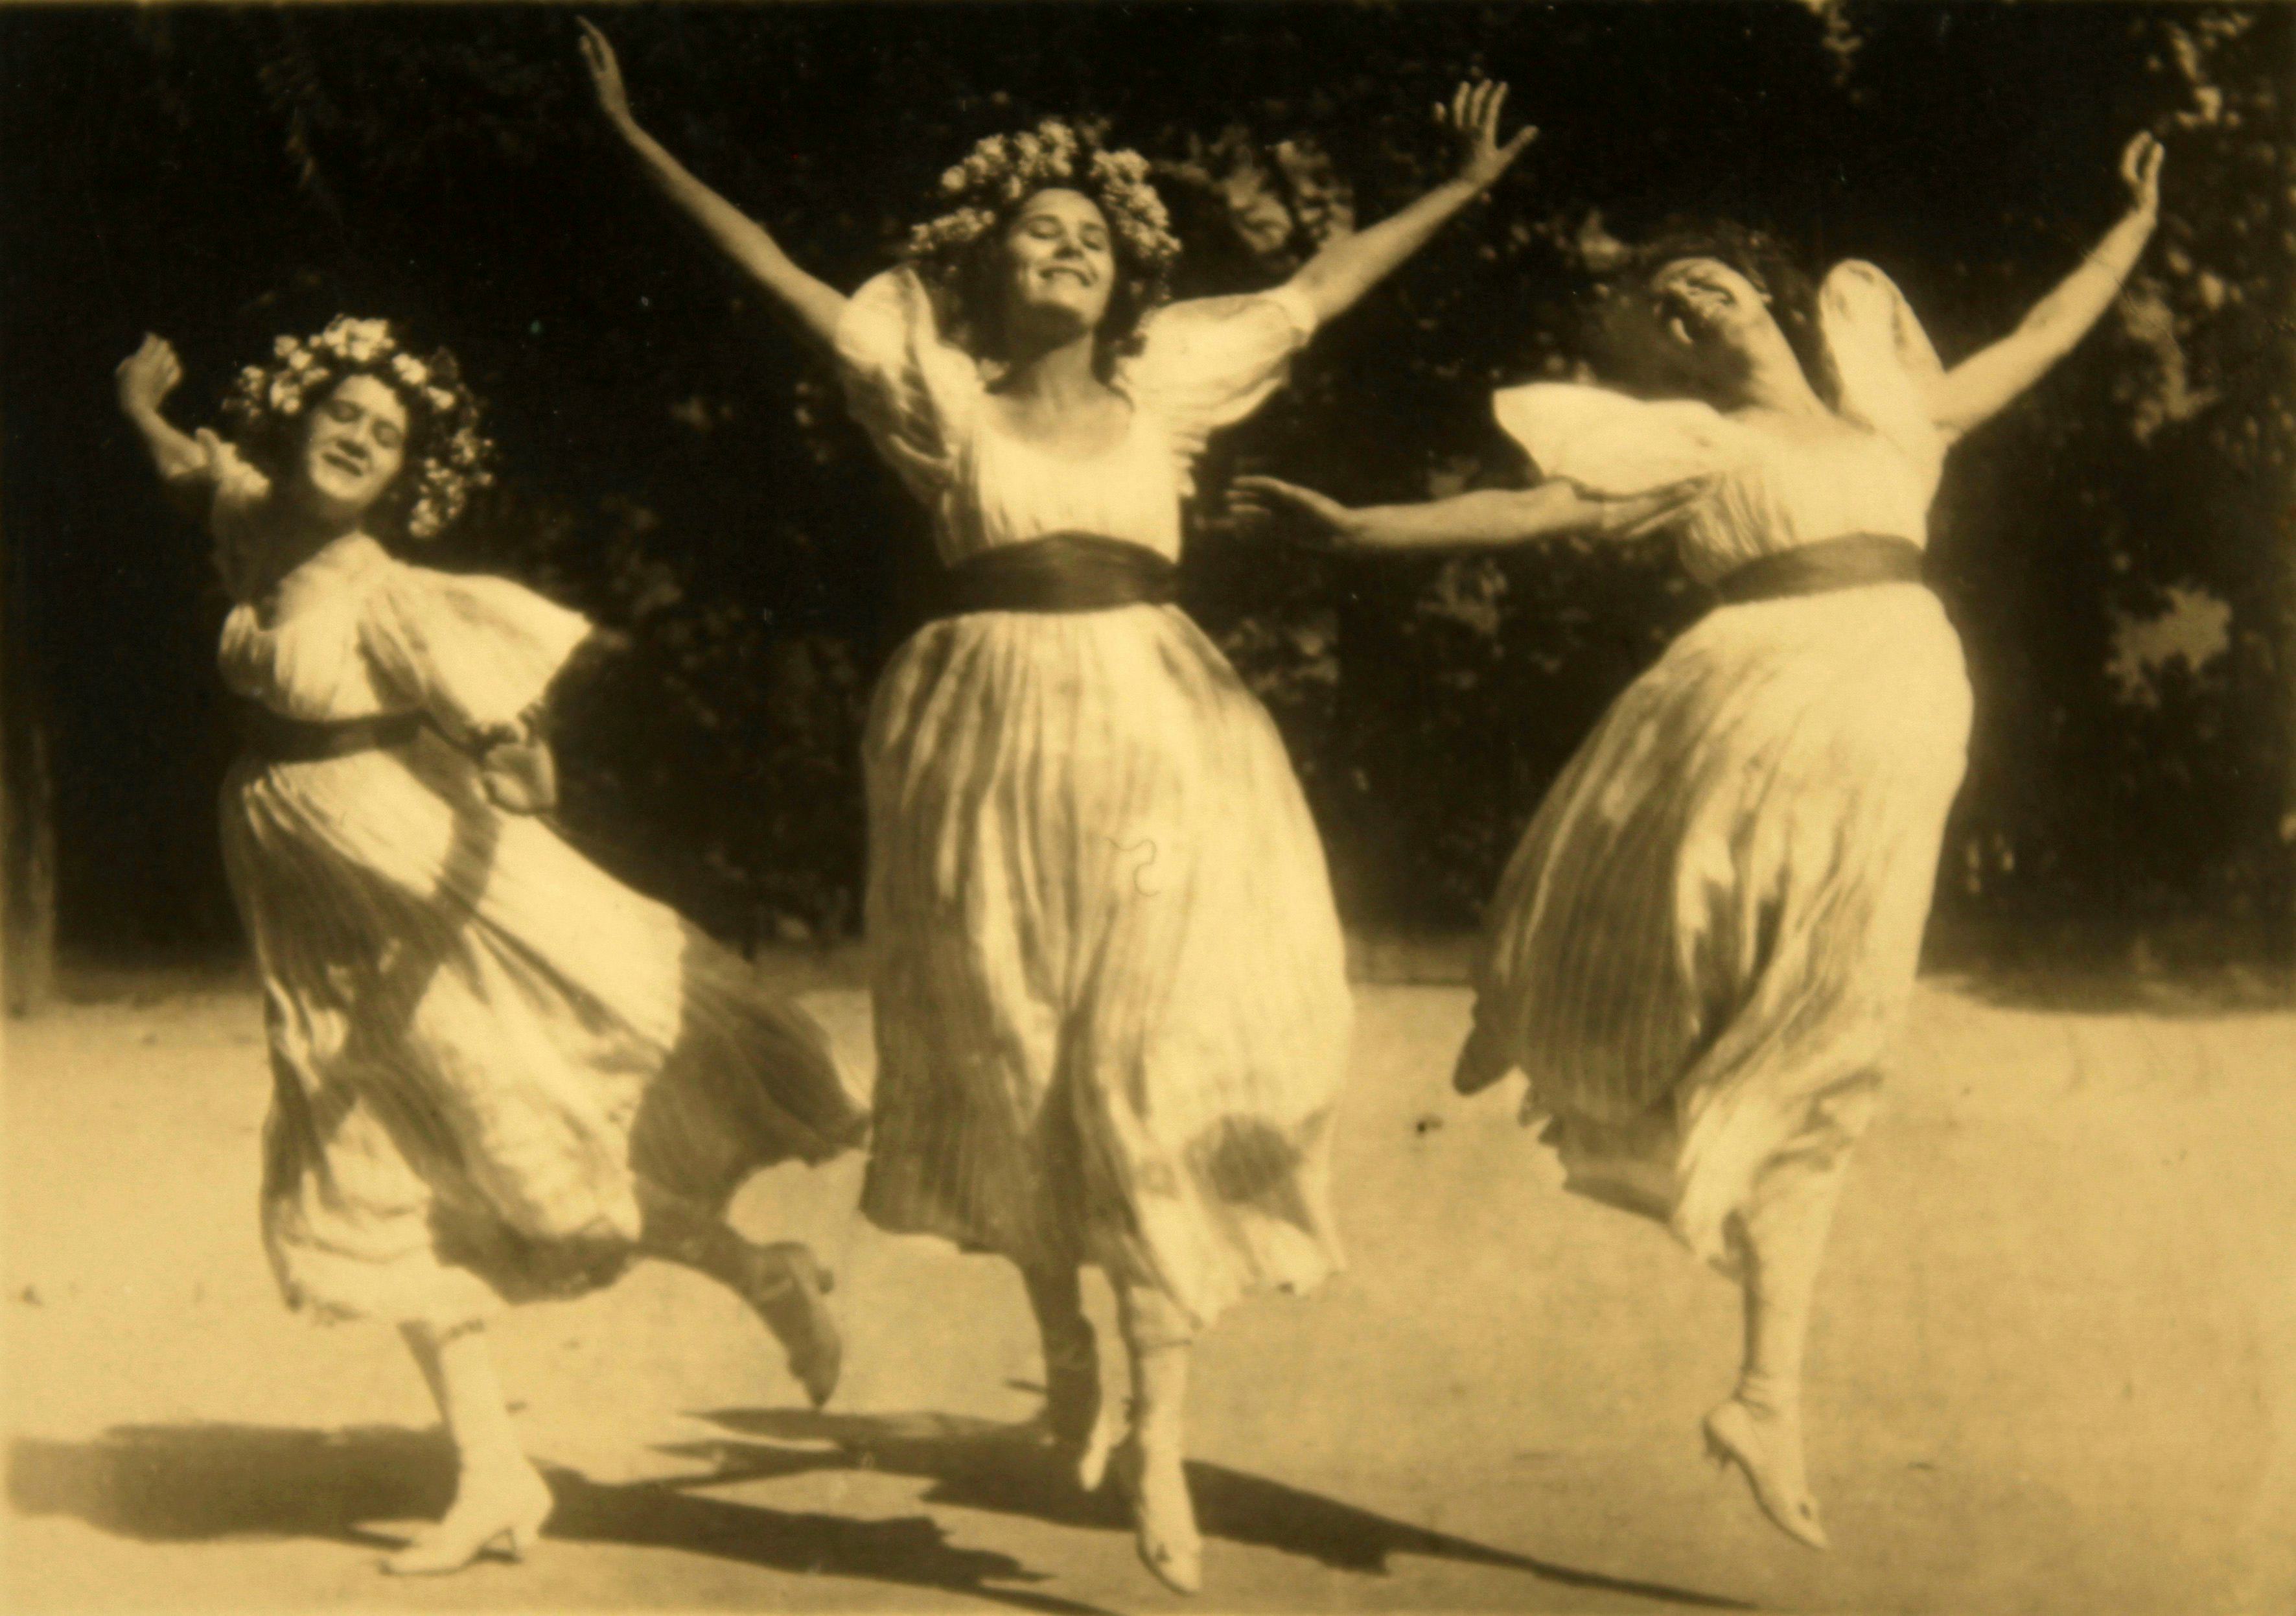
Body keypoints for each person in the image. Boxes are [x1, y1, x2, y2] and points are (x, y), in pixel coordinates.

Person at [581, 23, 1535, 1593]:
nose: (1072, 250)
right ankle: (1061, 1345)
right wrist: (637, 143)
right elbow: (772, 271)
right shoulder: (938, 397)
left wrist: (1454, 186)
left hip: (1156, 731)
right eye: (1043, 232)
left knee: (1145, 1060)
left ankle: (1159, 1429)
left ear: (1124, 276)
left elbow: (1315, 288)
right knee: (1018, 1050)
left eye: (1094, 238)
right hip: (979, 745)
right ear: (984, 266)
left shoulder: (1165, 399)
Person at [1233, 132, 2167, 1552]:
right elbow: (1535, 506)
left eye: (1705, 283)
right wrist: (1365, 530)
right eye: (1661, 307)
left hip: (1898, 709)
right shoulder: (1683, 449)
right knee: (1685, 930)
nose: (1684, 308)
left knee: (1828, 1039)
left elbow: (2043, 332)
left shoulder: (1890, 419)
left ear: (1766, 293)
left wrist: (2130, 222)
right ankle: (1546, 1007)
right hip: (1746, 696)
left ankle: (1760, 1392)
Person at [115, 317, 868, 1576]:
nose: (357, 438)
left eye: (385, 432)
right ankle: (493, 1470)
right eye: (341, 414)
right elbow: (197, 472)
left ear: (406, 468)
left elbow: (495, 722)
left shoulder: (384, 590)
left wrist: (517, 761)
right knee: (367, 1165)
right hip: (311, 904)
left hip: (417, 895)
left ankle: (759, 1266)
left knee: (524, 1151)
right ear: (294, 422)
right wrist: (139, 404)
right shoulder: (254, 517)